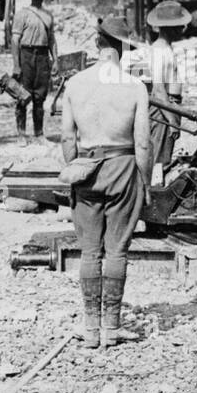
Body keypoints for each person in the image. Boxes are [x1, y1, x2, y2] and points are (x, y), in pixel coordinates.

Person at [58, 18, 151, 348]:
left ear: (97, 45)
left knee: (89, 251)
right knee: (116, 250)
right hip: (123, 165)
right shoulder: (135, 87)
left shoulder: (75, 84)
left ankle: (90, 329)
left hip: (86, 167)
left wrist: (76, 167)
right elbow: (142, 143)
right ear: (124, 50)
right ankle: (111, 328)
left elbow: (67, 137)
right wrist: (146, 181)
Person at [145, 0, 189, 174]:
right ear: (169, 28)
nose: (182, 29)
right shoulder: (159, 51)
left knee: (164, 155)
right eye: (179, 26)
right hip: (164, 109)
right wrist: (171, 120)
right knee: (158, 160)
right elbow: (158, 89)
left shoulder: (166, 49)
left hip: (170, 105)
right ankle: (151, 195)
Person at [10, 0, 56, 142]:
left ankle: (39, 133)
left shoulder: (48, 16)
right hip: (26, 55)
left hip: (42, 57)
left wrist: (55, 60)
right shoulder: (22, 15)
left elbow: (51, 39)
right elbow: (15, 40)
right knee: (22, 96)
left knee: (40, 97)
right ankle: (21, 134)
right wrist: (16, 65)